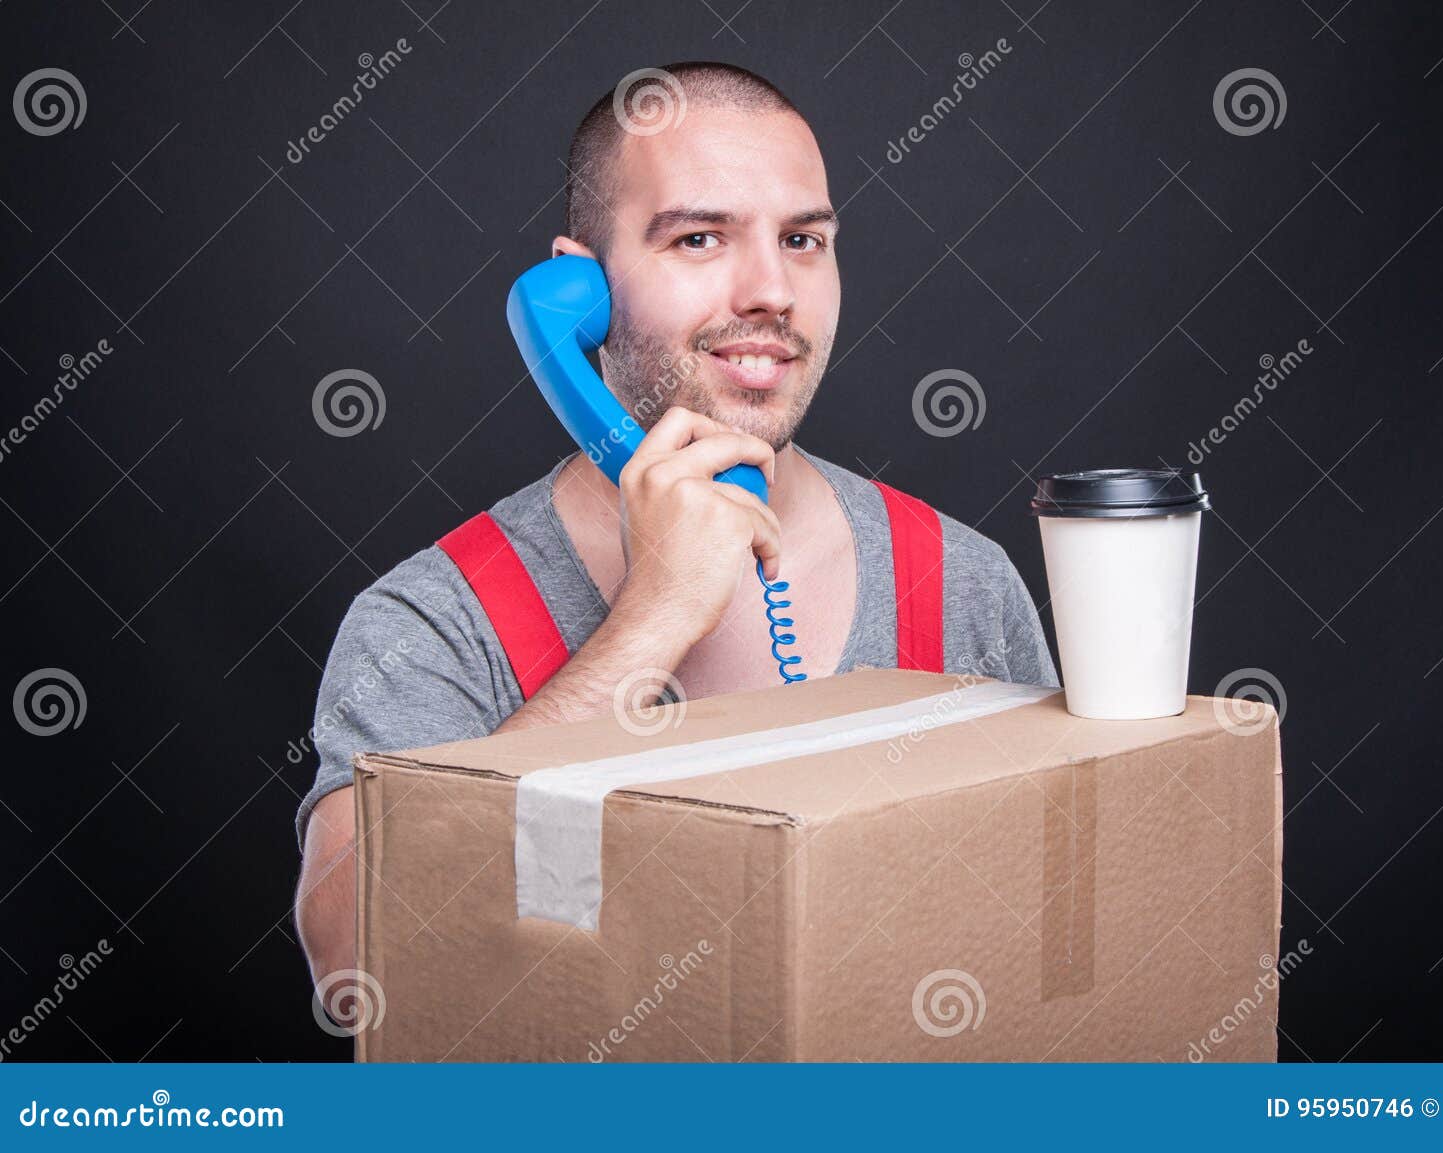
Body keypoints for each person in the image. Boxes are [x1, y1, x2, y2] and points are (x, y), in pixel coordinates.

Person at [294, 61, 1059, 1002]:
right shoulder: (437, 619)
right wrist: (648, 621)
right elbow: (356, 965)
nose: (771, 290)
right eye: (699, 238)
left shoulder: (961, 583)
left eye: (803, 240)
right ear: (578, 289)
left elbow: (1059, 928)